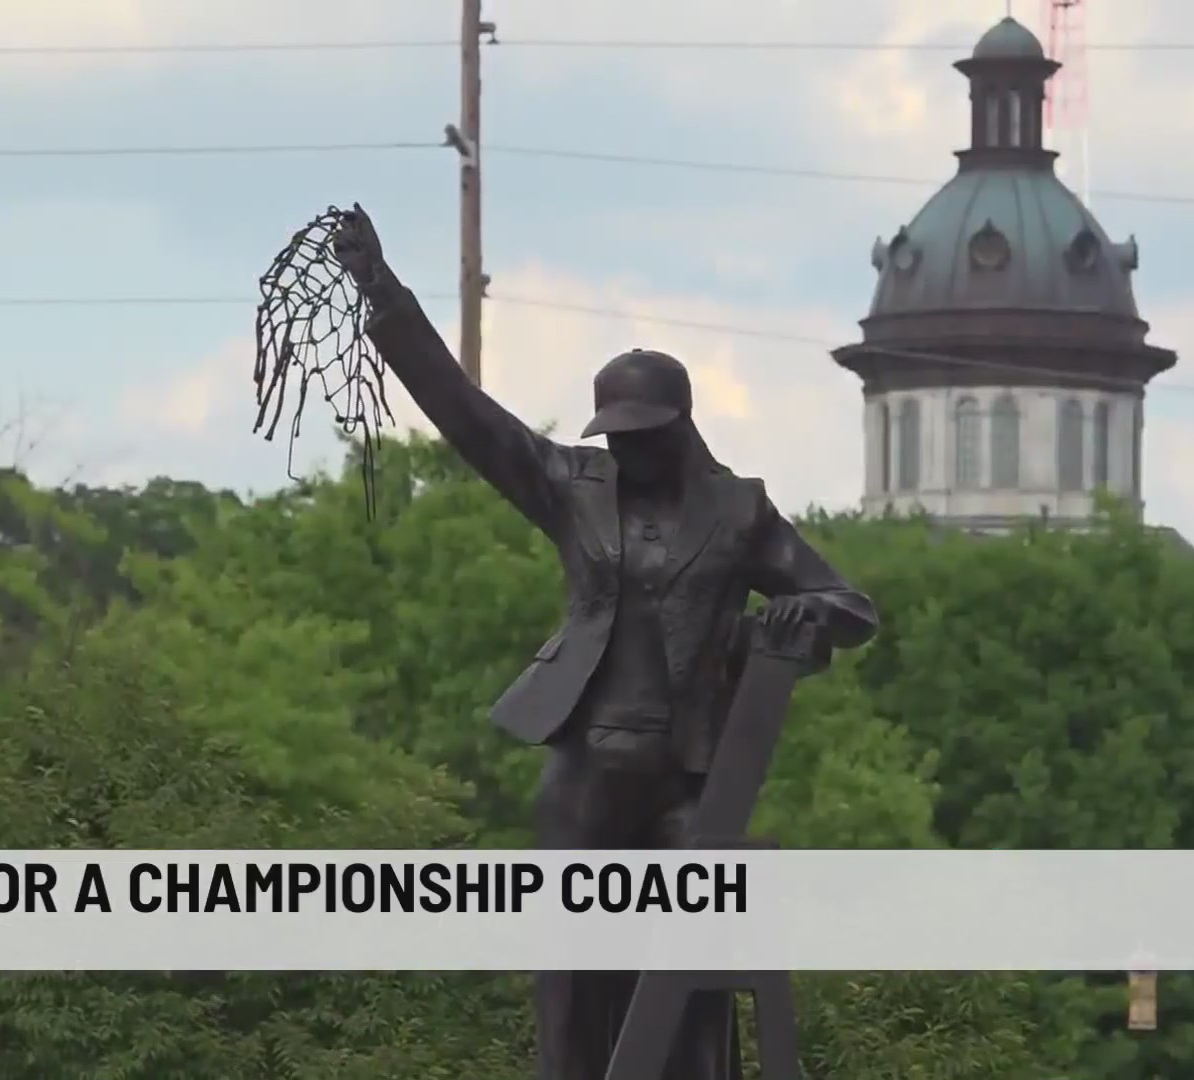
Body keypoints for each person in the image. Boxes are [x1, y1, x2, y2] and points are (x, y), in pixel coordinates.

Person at [331, 206, 879, 1080]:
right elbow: (470, 417)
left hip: (685, 775)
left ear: (676, 428)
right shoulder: (573, 487)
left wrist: (802, 618)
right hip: (587, 765)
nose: (623, 447)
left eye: (639, 433)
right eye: (613, 433)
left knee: (696, 968)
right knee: (574, 974)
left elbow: (848, 602)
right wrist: (385, 295)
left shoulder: (738, 511)